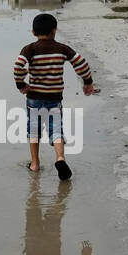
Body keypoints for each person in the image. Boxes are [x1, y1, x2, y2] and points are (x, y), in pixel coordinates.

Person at [13, 12, 97, 179]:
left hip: (34, 98)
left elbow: (18, 67)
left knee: (34, 130)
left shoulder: (29, 49)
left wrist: (21, 84)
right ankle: (60, 158)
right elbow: (81, 63)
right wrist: (87, 81)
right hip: (54, 99)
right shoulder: (61, 49)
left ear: (33, 32)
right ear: (55, 30)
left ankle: (35, 164)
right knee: (56, 130)